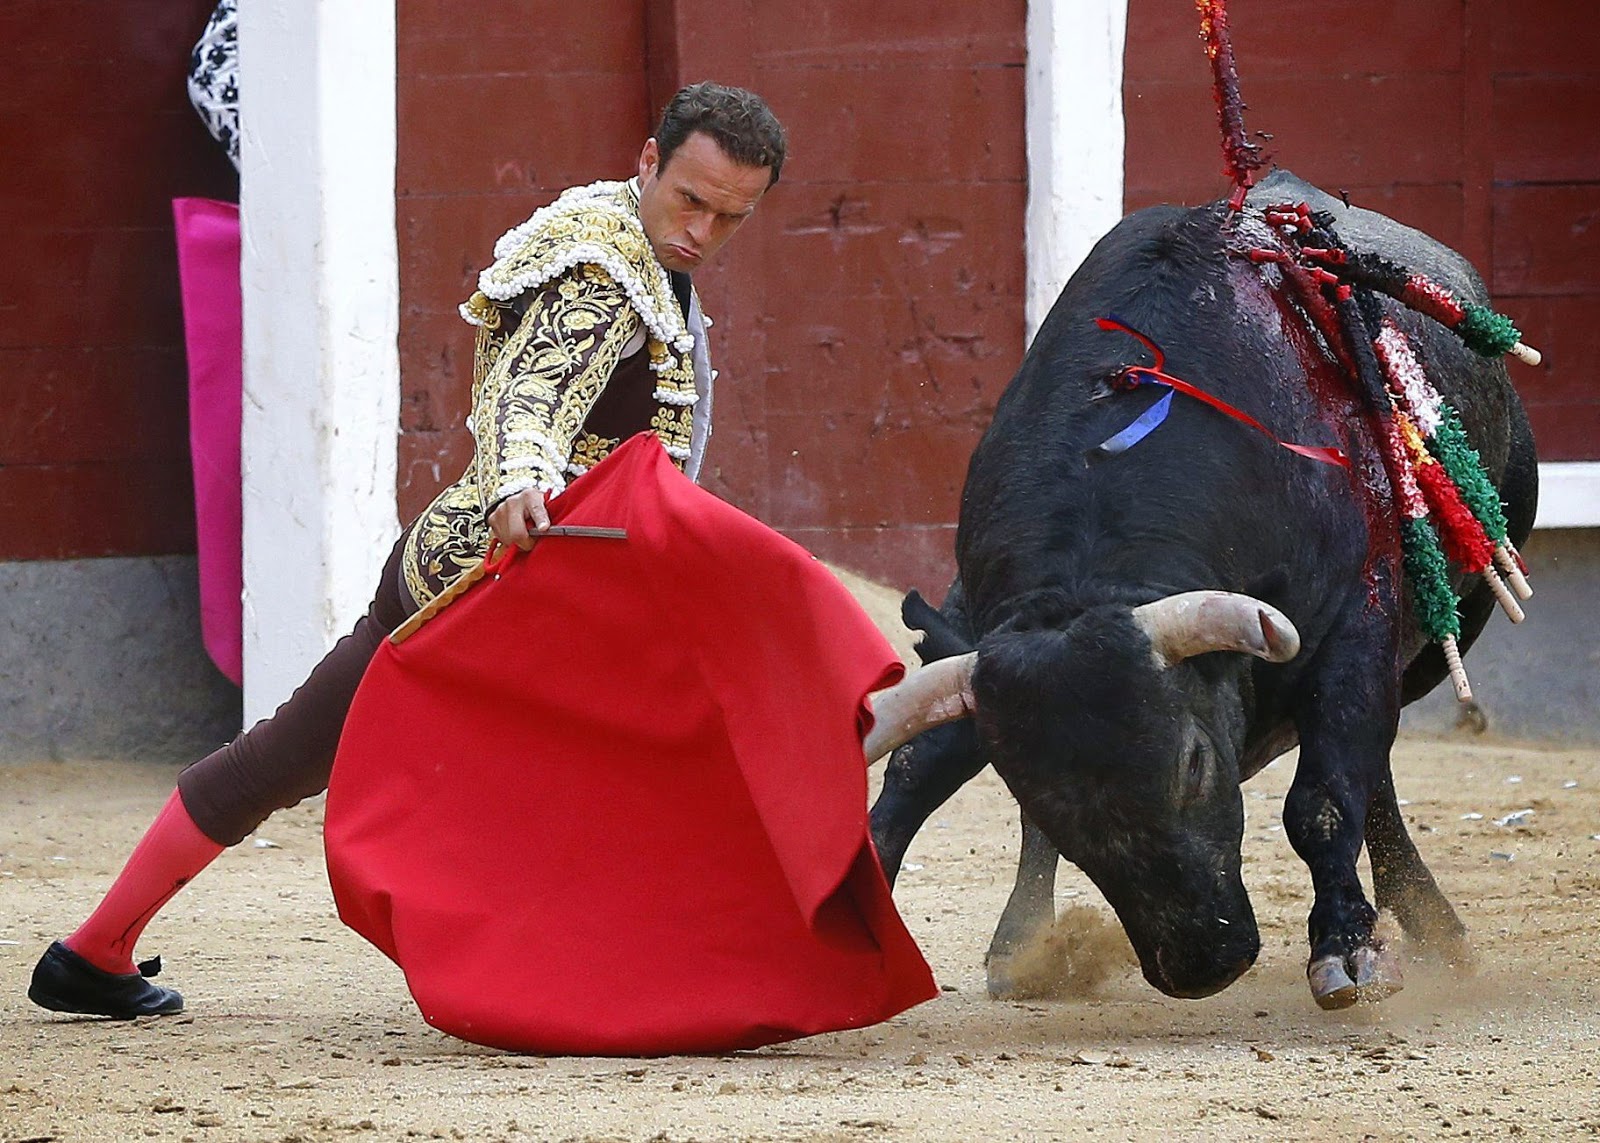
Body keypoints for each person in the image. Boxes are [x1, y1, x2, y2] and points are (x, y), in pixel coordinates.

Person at [29, 81, 787, 1019]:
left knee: (323, 761)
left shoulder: (617, 231)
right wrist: (520, 477)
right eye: (691, 200)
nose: (702, 232)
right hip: (488, 586)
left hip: (542, 587)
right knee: (299, 760)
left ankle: (96, 947)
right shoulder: (601, 275)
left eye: (730, 217)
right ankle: (94, 948)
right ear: (648, 161)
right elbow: (533, 390)